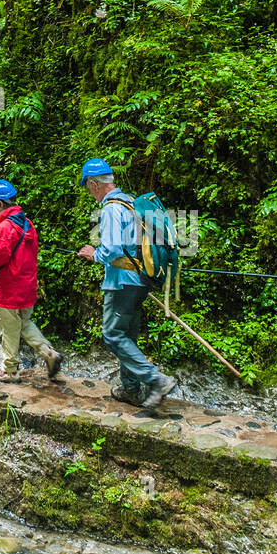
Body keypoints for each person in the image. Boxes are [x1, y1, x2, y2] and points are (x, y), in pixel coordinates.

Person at [77, 157, 176, 411]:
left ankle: (156, 380)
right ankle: (131, 389)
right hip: (140, 280)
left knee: (112, 334)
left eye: (88, 187)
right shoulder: (131, 202)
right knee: (127, 335)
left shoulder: (111, 208)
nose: (89, 192)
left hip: (122, 282)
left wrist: (93, 254)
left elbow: (111, 248)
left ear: (94, 183)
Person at [0, 178, 62, 382]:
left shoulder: (7, 227)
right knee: (24, 323)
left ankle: (10, 371)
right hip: (26, 286)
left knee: (8, 330)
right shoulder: (26, 223)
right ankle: (49, 353)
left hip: (8, 288)